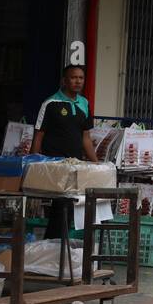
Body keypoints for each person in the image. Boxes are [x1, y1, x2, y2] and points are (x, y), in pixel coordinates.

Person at [31, 64, 98, 240]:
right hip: (54, 164)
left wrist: (97, 163)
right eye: (73, 77)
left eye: (81, 78)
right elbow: (38, 135)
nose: (78, 81)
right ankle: (54, 244)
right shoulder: (51, 103)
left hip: (75, 164)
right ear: (64, 81)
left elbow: (86, 137)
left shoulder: (84, 103)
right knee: (61, 206)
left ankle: (55, 244)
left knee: (68, 206)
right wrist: (32, 163)